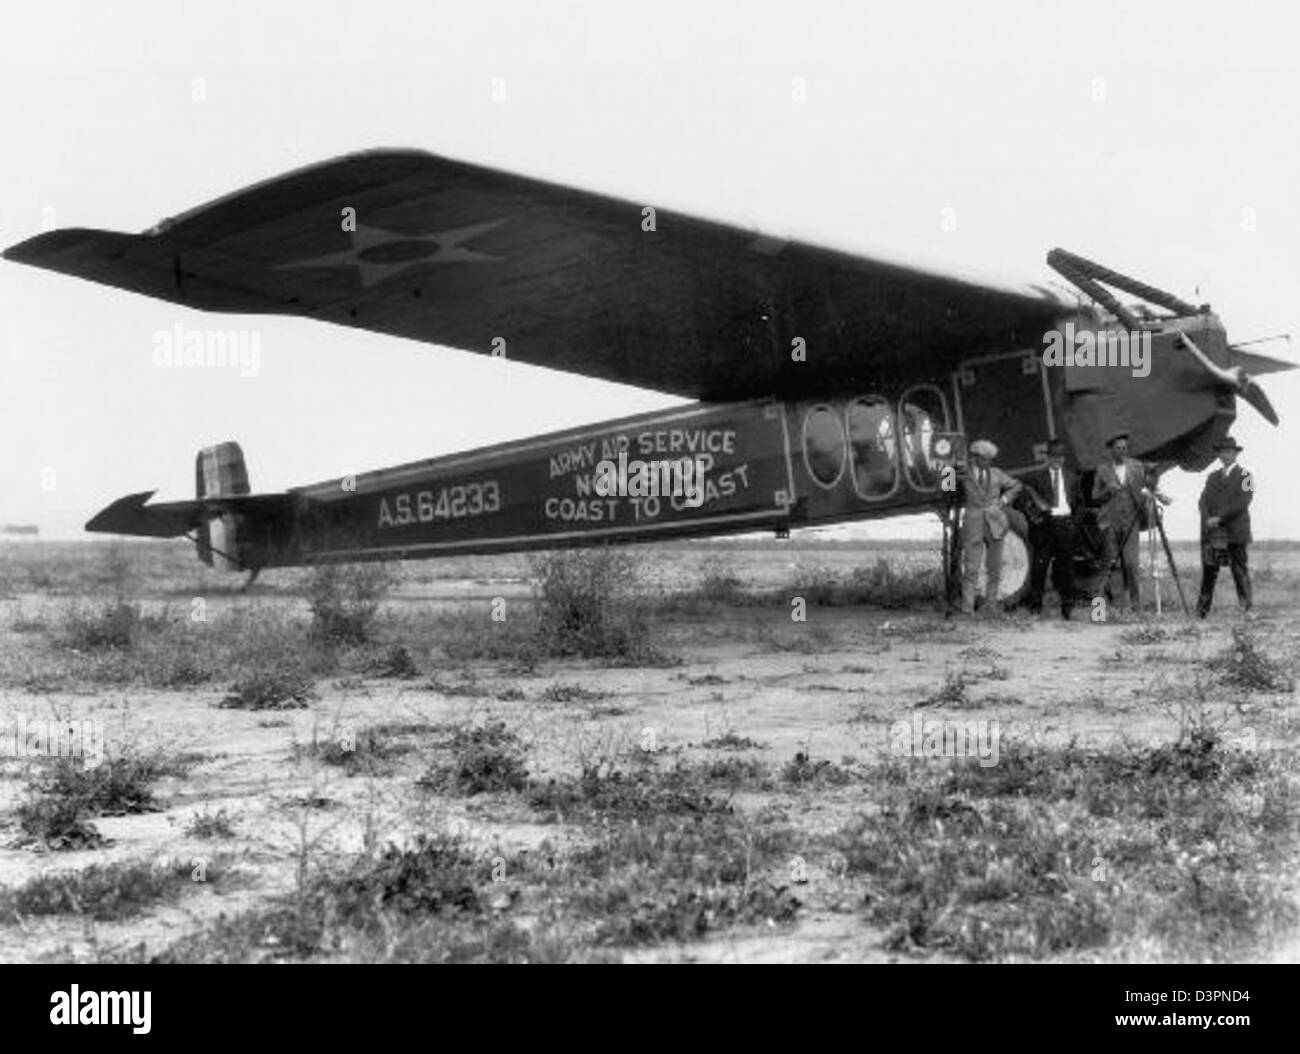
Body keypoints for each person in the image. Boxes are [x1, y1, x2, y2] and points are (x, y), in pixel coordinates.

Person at [1091, 432, 1171, 615]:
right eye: (1118, 448)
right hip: (1110, 522)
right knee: (1108, 565)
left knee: (1131, 564)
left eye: (1124, 448)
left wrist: (1160, 495)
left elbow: (1147, 486)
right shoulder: (1102, 469)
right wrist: (1107, 491)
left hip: (1131, 522)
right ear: (1111, 450)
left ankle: (1136, 609)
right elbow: (1094, 496)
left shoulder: (1136, 466)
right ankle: (1099, 612)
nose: (1122, 451)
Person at [1021, 437, 1083, 619]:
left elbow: (1080, 504)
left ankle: (1067, 608)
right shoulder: (1036, 478)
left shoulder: (1072, 477)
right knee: (1039, 568)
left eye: (1061, 457)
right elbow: (1025, 502)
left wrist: (1074, 523)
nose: (1058, 460)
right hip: (1045, 527)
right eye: (1054, 457)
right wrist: (1035, 519)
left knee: (1067, 569)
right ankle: (1035, 608)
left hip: (1066, 525)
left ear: (1064, 458)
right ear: (1048, 458)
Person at [960, 438, 1022, 615]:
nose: (989, 462)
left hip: (995, 522)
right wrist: (948, 470)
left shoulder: (997, 473)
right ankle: (967, 609)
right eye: (985, 458)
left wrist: (1003, 500)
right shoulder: (964, 473)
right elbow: (947, 488)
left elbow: (1017, 485)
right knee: (971, 567)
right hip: (973, 522)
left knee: (994, 567)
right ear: (976, 458)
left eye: (990, 459)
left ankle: (991, 607)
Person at [1196, 436, 1253, 617]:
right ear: (1219, 455)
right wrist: (1207, 520)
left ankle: (1246, 611)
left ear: (1236, 454)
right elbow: (1202, 501)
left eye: (1230, 452)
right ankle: (1201, 613)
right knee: (1209, 571)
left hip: (1235, 532)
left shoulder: (1246, 476)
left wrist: (1219, 518)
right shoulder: (1211, 477)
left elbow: (1243, 502)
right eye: (1223, 452)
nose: (1226, 455)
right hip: (1213, 534)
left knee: (1239, 571)